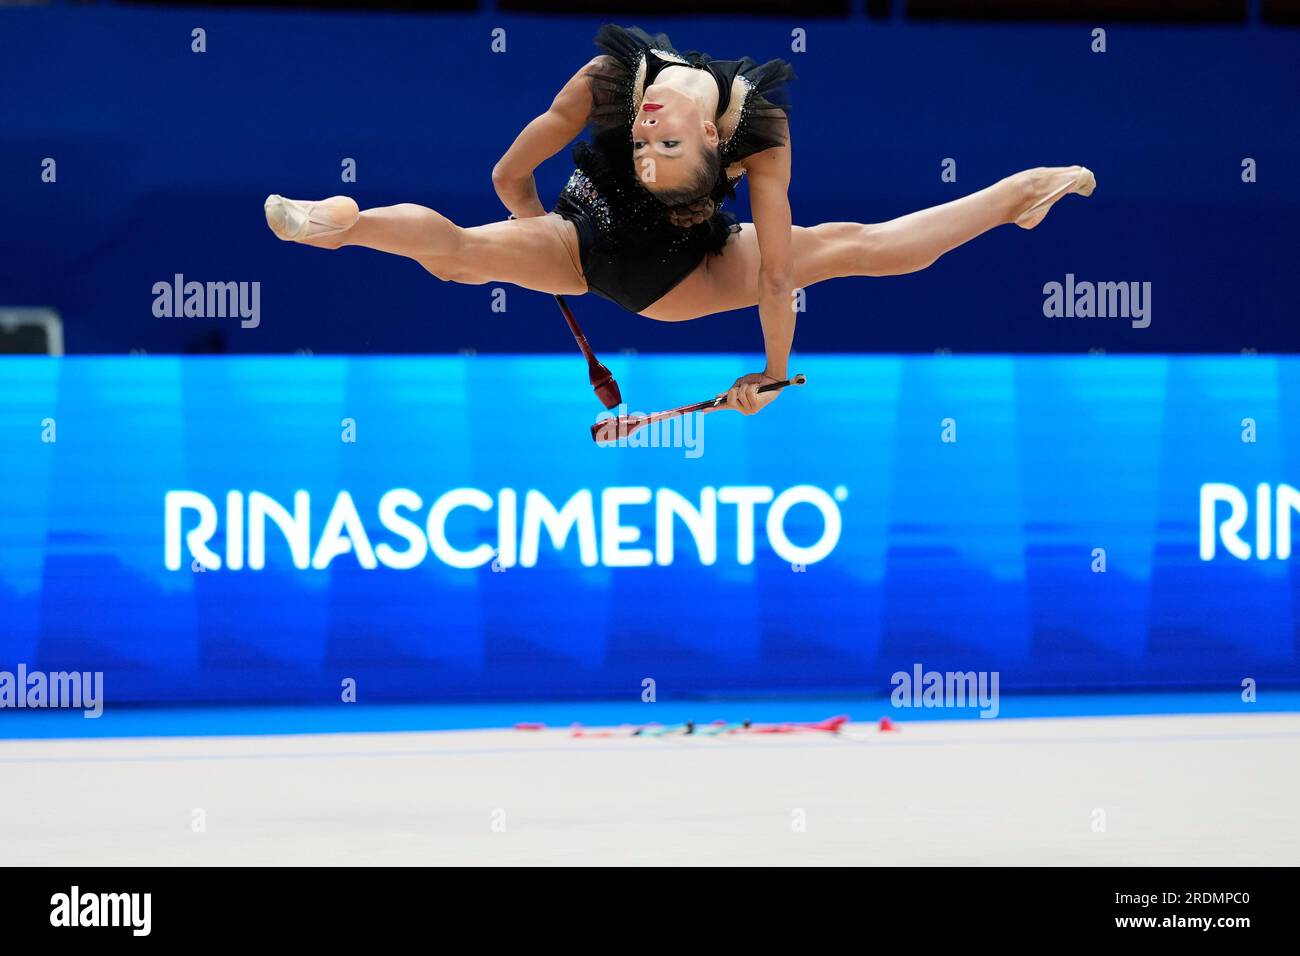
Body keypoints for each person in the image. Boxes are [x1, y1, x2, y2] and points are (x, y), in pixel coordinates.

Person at [265, 24, 1094, 416]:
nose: (652, 125)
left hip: (675, 270)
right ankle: (343, 221)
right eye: (646, 135)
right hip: (589, 240)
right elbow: (507, 178)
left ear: (712, 135)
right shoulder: (607, 77)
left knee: (849, 247)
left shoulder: (759, 134)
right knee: (458, 254)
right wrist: (537, 238)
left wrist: (771, 373)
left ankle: (1015, 195)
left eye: (661, 139)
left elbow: (775, 269)